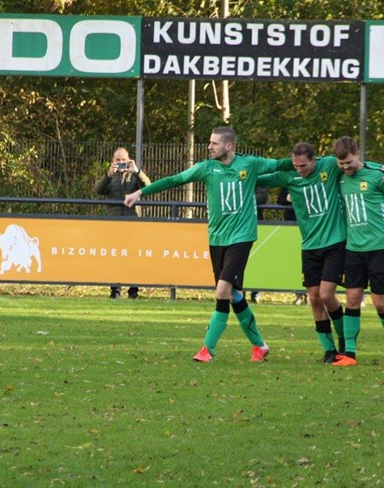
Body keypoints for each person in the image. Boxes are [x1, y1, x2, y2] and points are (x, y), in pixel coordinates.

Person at [124, 125, 292, 362]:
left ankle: (207, 350)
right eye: (210, 142)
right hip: (217, 239)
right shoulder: (207, 168)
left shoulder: (249, 164)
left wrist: (318, 162)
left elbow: (280, 164)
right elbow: (174, 180)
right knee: (233, 295)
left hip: (241, 238)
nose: (209, 146)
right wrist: (140, 193)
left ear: (229, 146)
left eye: (214, 143)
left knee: (222, 290)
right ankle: (260, 346)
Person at [259, 143, 384, 364]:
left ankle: (344, 343)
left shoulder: (329, 166)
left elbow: (355, 163)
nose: (299, 169)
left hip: (335, 243)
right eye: (295, 165)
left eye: (303, 165)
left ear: (314, 160)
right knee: (313, 299)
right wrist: (238, 174)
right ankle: (329, 350)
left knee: (326, 295)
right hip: (309, 245)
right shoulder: (289, 176)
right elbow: (260, 179)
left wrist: (382, 167)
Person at [333, 136, 384, 367]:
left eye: (348, 162)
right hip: (353, 248)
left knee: (380, 302)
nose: (345, 167)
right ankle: (350, 354)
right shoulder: (338, 176)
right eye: (341, 164)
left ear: (357, 154)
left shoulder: (379, 175)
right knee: (352, 298)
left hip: (379, 248)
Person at [95, 147, 151, 299]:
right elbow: (98, 190)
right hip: (113, 222)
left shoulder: (134, 175)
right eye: (117, 160)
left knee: (134, 256)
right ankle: (115, 290)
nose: (120, 163)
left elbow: (148, 187)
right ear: (113, 161)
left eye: (123, 160)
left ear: (129, 160)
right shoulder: (110, 176)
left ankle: (133, 291)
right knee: (115, 257)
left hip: (133, 222)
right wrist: (107, 175)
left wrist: (137, 171)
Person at [277, 186, 308, 306]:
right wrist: (288, 198)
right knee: (294, 262)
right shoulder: (288, 181)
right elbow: (280, 201)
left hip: (309, 225)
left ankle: (310, 295)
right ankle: (298, 295)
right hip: (290, 224)